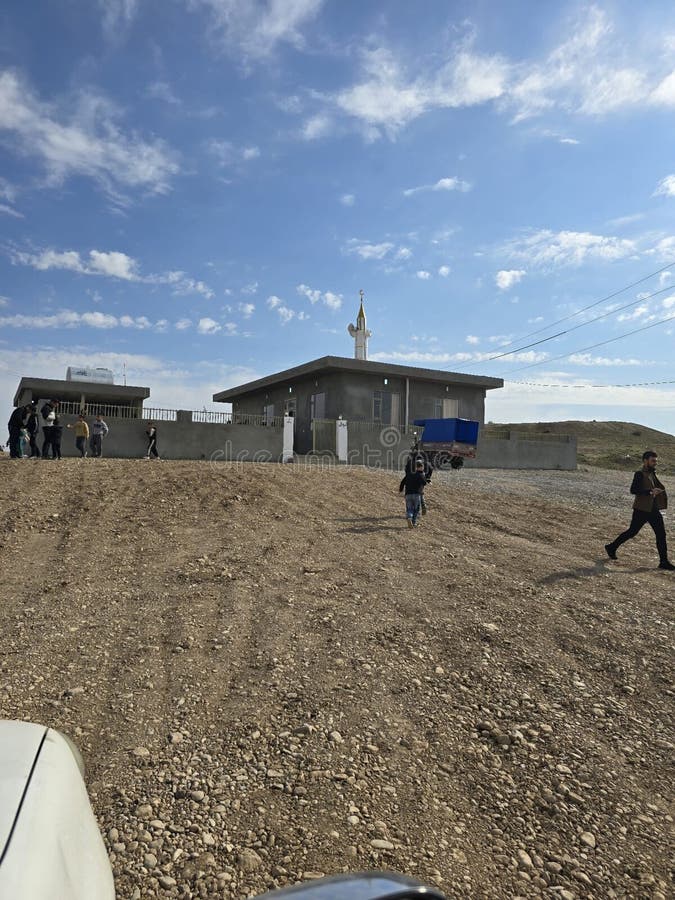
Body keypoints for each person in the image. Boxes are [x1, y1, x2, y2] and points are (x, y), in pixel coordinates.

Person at [605, 450, 675, 570]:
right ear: (645, 461)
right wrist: (649, 492)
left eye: (656, 461)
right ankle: (611, 547)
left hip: (653, 509)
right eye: (653, 461)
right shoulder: (639, 474)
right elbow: (633, 490)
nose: (655, 463)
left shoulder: (652, 473)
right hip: (641, 510)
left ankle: (663, 561)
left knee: (661, 534)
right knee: (632, 532)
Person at [399, 458, 428, 528]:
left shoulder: (409, 474)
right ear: (421, 467)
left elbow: (402, 482)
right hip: (416, 494)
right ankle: (413, 522)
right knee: (416, 509)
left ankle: (409, 517)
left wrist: (401, 489)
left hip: (408, 494)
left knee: (409, 508)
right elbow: (424, 483)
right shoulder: (420, 474)